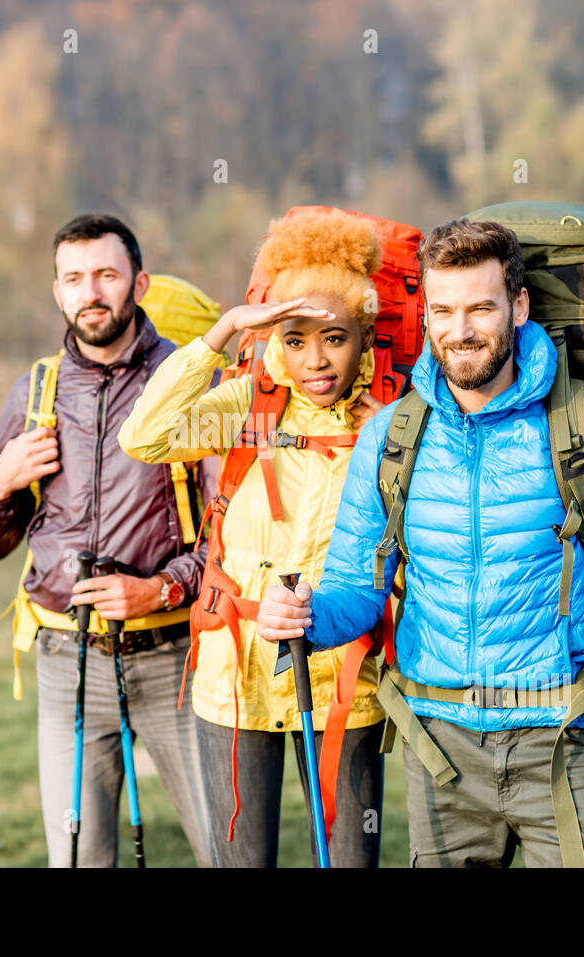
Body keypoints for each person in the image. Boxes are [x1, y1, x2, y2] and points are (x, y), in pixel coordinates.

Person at [256, 218, 584, 867]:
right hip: (440, 748)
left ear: (518, 307)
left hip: (566, 736)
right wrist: (306, 616)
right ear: (427, 314)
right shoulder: (391, 437)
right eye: (444, 310)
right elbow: (355, 588)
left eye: (480, 307)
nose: (460, 330)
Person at [118, 209, 388, 867]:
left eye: (333, 337)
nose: (315, 359)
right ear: (273, 339)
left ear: (364, 333)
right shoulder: (248, 405)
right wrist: (222, 334)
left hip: (344, 682)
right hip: (232, 675)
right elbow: (143, 436)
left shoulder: (391, 421)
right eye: (294, 340)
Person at [0, 213, 211, 867]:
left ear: (140, 282)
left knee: (228, 851)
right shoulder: (35, 391)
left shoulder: (190, 381)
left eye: (106, 274)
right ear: (57, 291)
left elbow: (230, 539)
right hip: (67, 662)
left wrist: (161, 587)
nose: (91, 292)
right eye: (74, 278)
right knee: (79, 859)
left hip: (175, 661)